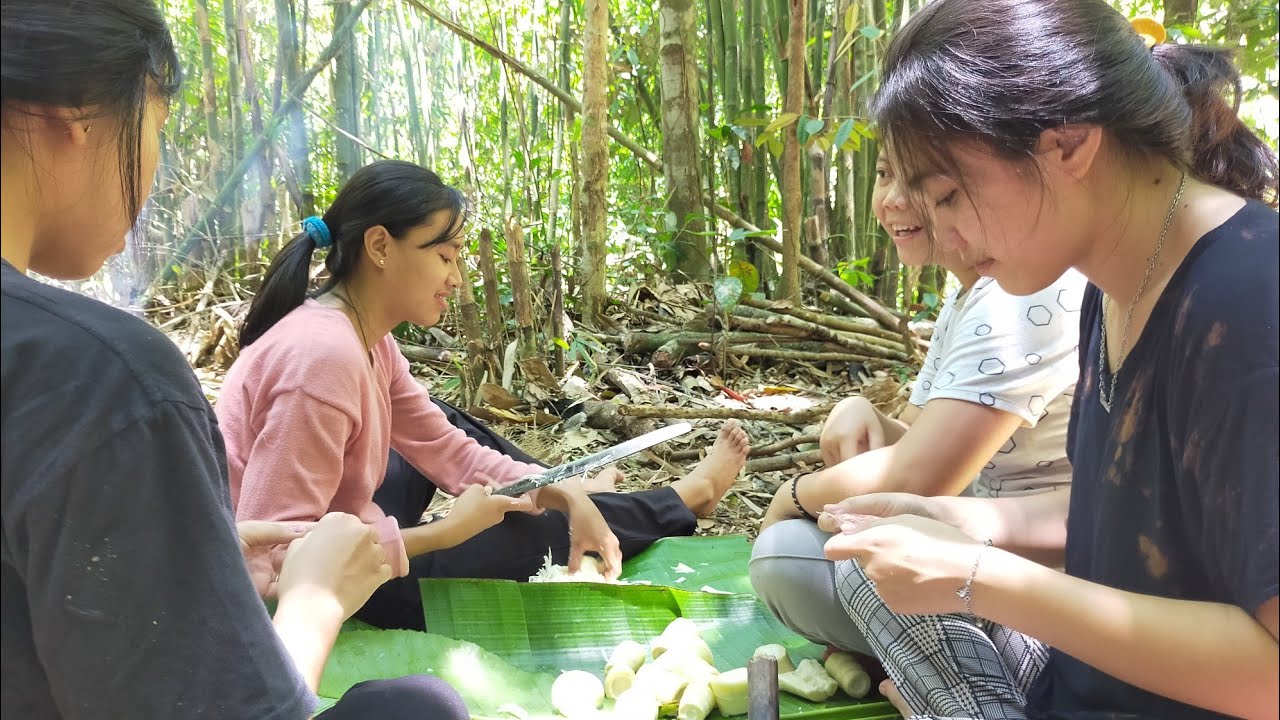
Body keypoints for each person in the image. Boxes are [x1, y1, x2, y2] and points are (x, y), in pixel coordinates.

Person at [0, 2, 466, 717]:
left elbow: (439, 438)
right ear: (77, 116)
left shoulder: (376, 344)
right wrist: (315, 603)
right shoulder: (104, 380)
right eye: (156, 126)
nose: (455, 275)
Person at [819, 2, 1278, 719]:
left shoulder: (1248, 309)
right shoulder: (1110, 284)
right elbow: (1128, 520)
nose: (942, 239)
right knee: (862, 574)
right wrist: (967, 525)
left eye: (948, 195)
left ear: (1069, 144)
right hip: (1075, 685)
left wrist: (978, 577)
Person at [217, 159, 751, 631]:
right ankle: (682, 499)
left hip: (346, 518)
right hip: (320, 585)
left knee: (455, 432)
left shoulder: (364, 337)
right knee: (532, 530)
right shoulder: (324, 358)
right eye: (445, 256)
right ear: (380, 246)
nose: (456, 278)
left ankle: (581, 489)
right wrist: (446, 533)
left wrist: (568, 494)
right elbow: (276, 559)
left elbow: (446, 448)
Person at [749, 147, 1085, 657]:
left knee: (784, 557)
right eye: (885, 173)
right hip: (996, 529)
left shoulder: (1022, 295)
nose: (892, 201)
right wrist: (867, 416)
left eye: (929, 182)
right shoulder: (970, 295)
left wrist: (792, 494)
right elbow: (919, 439)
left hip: (1050, 573)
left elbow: (919, 478)